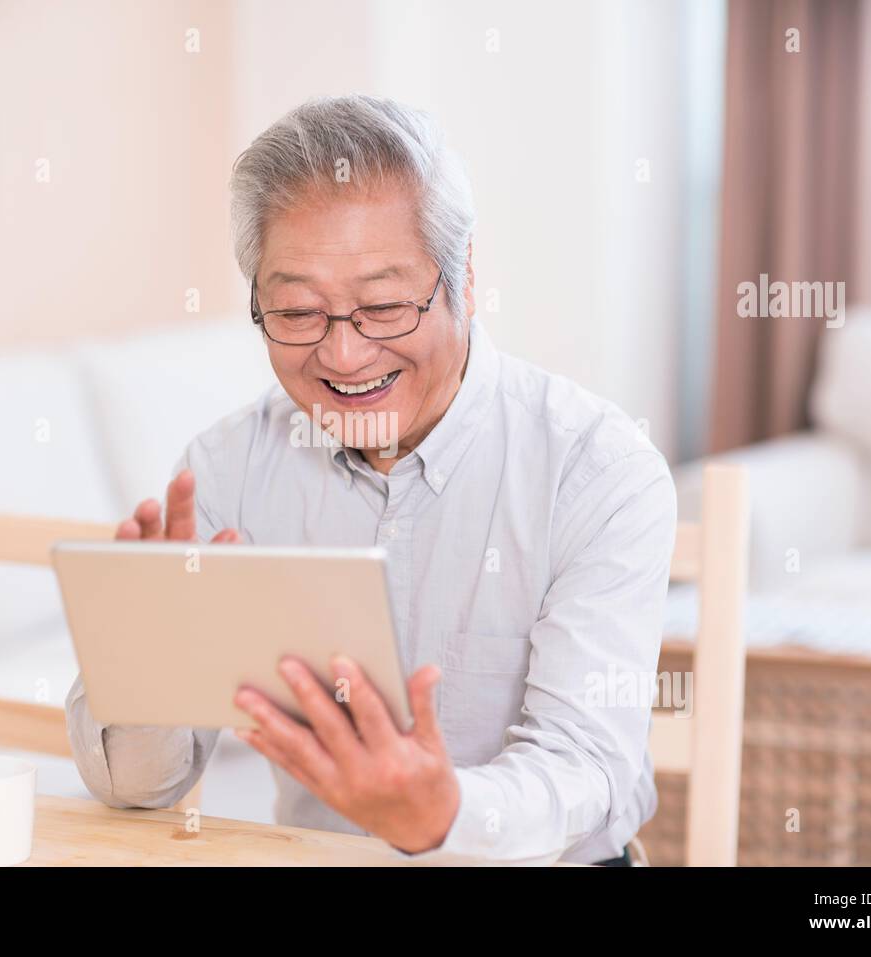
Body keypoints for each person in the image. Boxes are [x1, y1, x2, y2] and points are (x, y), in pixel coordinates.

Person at [66, 94, 676, 865]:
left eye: (384, 305)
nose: (344, 357)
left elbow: (588, 767)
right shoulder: (227, 468)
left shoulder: (597, 470)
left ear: (465, 279)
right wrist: (142, 664)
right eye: (296, 310)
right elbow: (136, 787)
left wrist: (445, 812)